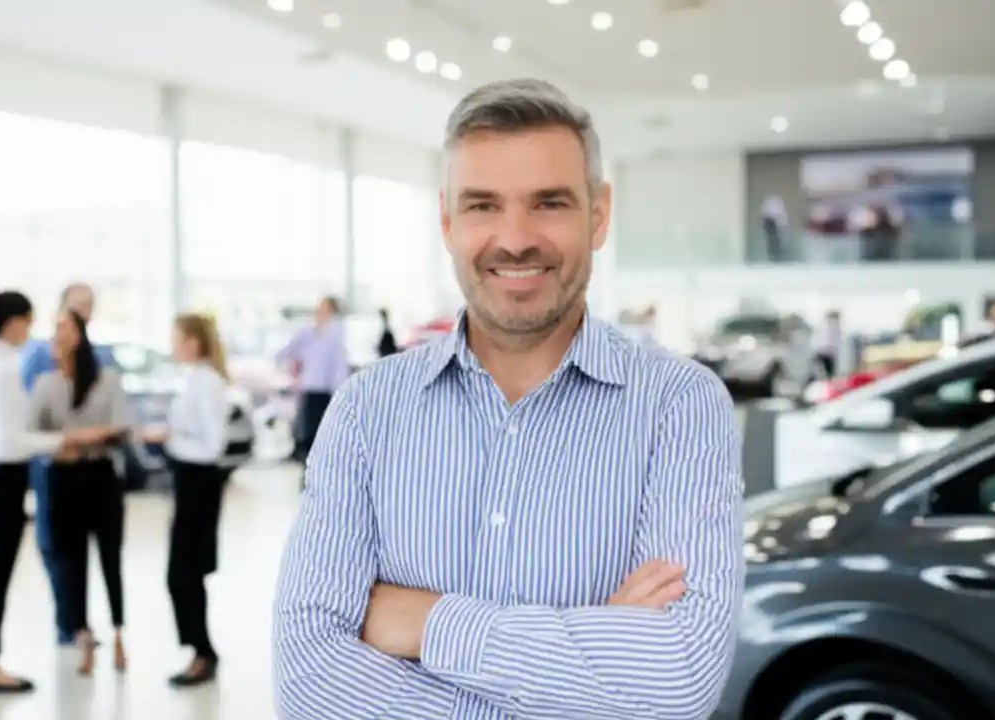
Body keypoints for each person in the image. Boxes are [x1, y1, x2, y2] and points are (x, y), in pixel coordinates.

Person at [272, 79, 744, 719]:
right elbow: (308, 683)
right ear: (447, 220)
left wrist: (427, 621)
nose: (515, 238)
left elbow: (679, 682)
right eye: (482, 206)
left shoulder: (680, 406)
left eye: (549, 203)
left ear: (598, 215)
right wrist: (590, 655)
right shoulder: (367, 410)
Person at [0, 291, 107, 694]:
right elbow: (14, 437)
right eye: (27, 320)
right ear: (11, 322)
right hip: (2, 475)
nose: (31, 329)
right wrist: (62, 441)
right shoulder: (5, 367)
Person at [28, 309, 130, 676]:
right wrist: (73, 439)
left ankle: (119, 632)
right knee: (69, 561)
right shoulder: (45, 384)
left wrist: (76, 437)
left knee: (110, 558)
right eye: (54, 331)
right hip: (62, 480)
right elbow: (31, 435)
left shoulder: (107, 379)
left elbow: (121, 426)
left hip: (100, 478)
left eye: (64, 329)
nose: (58, 338)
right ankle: (80, 633)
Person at [21, 281, 116, 645]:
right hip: (52, 467)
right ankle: (69, 623)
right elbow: (30, 418)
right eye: (76, 304)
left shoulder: (100, 359)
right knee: (56, 545)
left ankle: (78, 622)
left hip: (89, 470)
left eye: (89, 304)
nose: (83, 310)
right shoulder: (39, 358)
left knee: (82, 547)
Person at [143, 314, 231, 688]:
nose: (173, 345)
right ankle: (198, 649)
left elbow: (212, 446)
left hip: (199, 484)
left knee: (184, 573)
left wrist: (170, 441)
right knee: (184, 573)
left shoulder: (207, 383)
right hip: (189, 483)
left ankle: (202, 652)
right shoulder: (195, 379)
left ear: (195, 341)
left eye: (178, 338)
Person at [275, 296, 350, 466]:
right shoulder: (307, 332)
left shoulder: (335, 334)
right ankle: (308, 466)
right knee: (307, 432)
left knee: (323, 432)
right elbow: (288, 351)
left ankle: (320, 466)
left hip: (326, 392)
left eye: (326, 308)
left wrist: (339, 392)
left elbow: (339, 366)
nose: (321, 311)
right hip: (309, 389)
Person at [816, 310, 842, 378]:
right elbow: (832, 341)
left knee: (826, 372)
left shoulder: (824, 325)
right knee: (829, 372)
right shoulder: (833, 325)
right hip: (828, 352)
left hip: (825, 351)